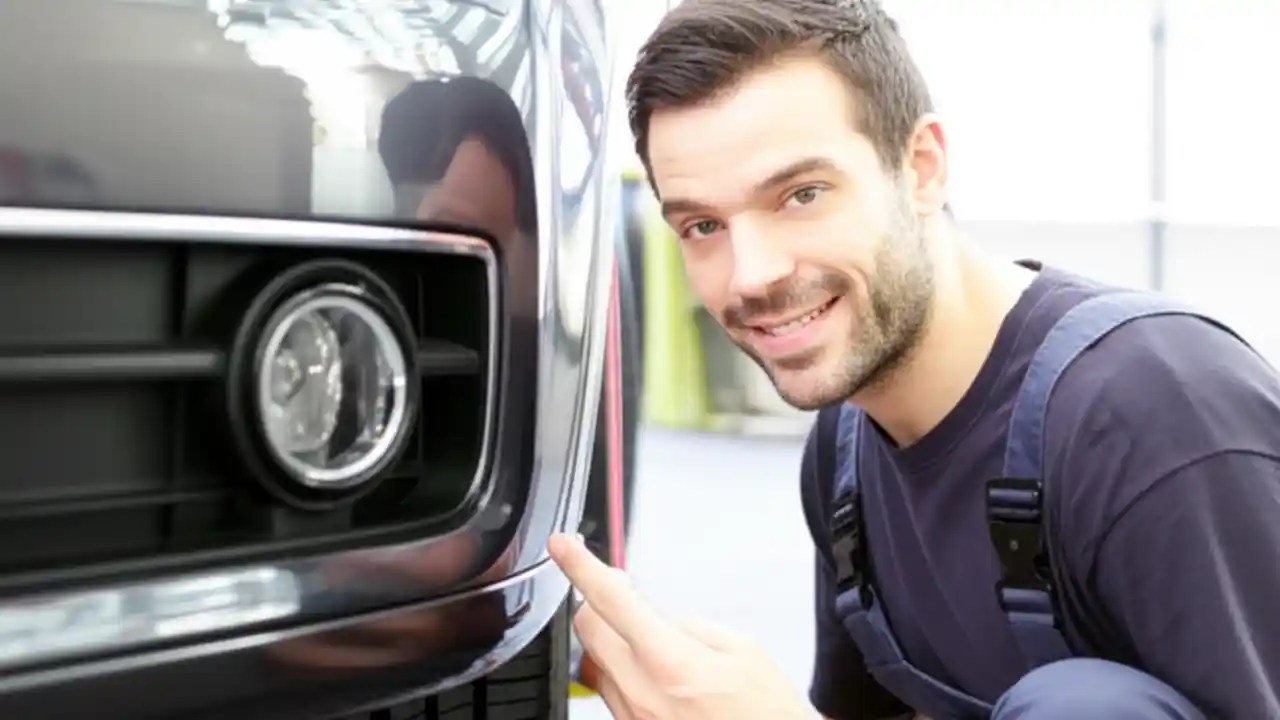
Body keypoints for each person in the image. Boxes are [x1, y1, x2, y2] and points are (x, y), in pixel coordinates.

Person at [547, 0, 1280, 718]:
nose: (751, 274)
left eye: (802, 195)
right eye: (703, 225)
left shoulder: (1153, 417)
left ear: (922, 168)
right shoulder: (844, 453)